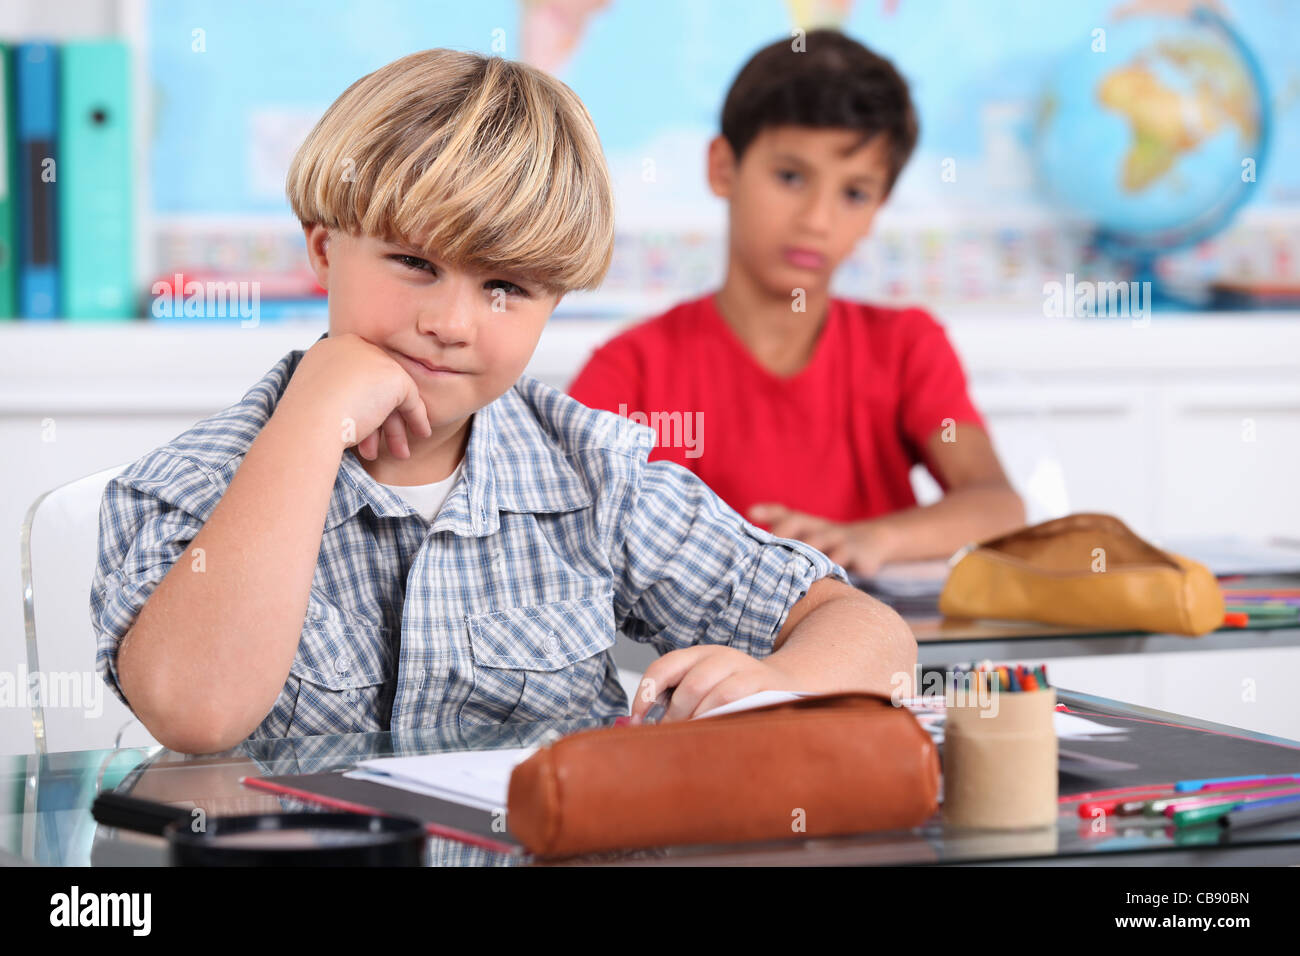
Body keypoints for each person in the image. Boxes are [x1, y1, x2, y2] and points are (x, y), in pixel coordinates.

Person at [91, 48, 915, 755]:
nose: (449, 323)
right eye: (414, 263)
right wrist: (309, 425)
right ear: (324, 248)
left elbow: (874, 638)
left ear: (552, 303)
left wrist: (775, 684)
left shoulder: (594, 475)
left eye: (505, 287)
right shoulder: (187, 486)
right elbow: (197, 711)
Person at [568, 30, 1025, 578]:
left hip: (886, 656)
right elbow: (576, 538)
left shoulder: (906, 347)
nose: (817, 220)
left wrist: (871, 539)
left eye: (854, 193)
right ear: (723, 168)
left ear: (879, 207)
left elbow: (998, 507)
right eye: (790, 177)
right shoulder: (633, 368)